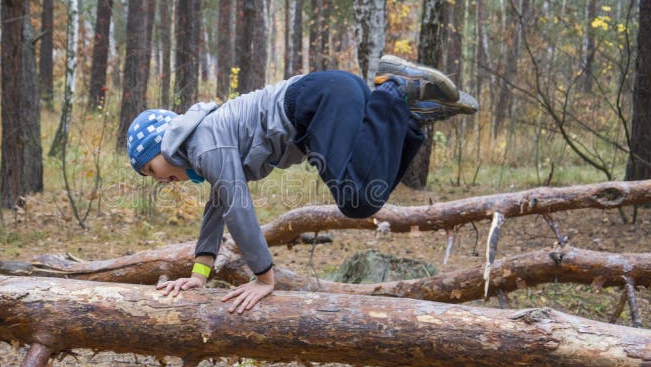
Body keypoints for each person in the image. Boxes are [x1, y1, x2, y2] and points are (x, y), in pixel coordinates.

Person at [126, 55, 478, 314]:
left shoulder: (203, 143)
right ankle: (410, 117)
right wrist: (199, 274)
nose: (161, 179)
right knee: (369, 195)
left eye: (151, 169)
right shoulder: (203, 145)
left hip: (316, 101)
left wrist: (264, 277)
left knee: (355, 199)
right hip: (332, 96)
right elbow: (217, 206)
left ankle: (392, 90)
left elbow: (236, 205)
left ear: (160, 142)